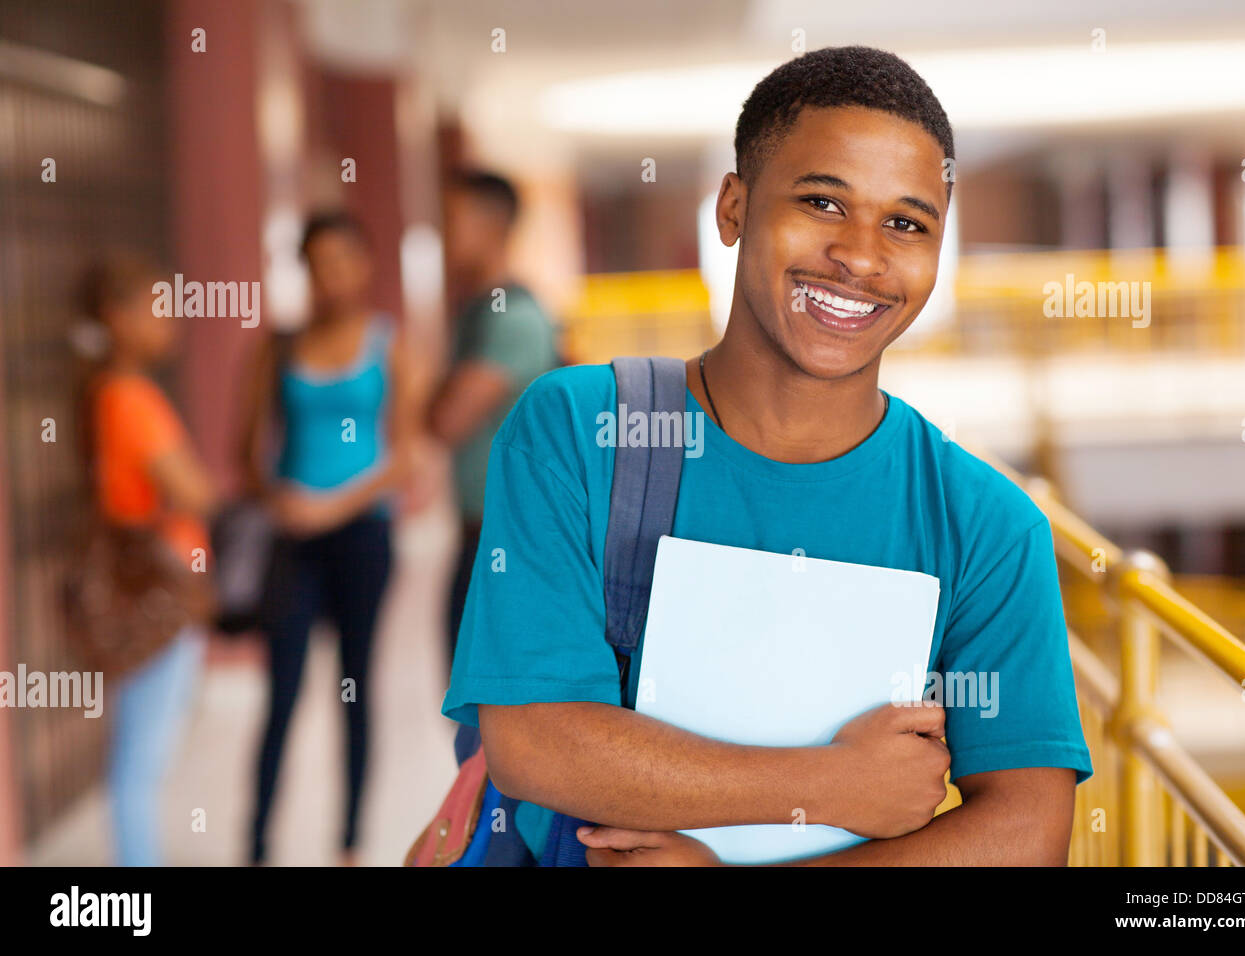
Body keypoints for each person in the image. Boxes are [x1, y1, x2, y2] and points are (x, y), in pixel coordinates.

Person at [441, 46, 1093, 866]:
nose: (861, 256)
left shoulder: (989, 525)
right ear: (733, 209)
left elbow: (1028, 833)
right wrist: (830, 783)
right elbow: (534, 739)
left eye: (906, 223)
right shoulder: (577, 430)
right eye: (823, 202)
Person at [238, 211, 426, 866]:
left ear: (366, 265)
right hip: (293, 544)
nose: (331, 277)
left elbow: (405, 457)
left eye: (343, 261)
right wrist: (280, 499)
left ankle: (348, 843)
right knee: (282, 693)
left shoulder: (387, 343)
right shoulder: (279, 347)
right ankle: (257, 843)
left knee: (355, 686)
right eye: (318, 265)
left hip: (362, 539)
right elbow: (247, 452)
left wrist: (334, 507)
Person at [77, 253, 217, 866]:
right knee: (140, 759)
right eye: (157, 309)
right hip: (158, 592)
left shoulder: (103, 393)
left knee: (140, 750)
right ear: (117, 317)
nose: (171, 323)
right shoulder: (130, 397)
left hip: (148, 586)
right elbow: (193, 491)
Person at [428, 170, 559, 682]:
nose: (443, 235)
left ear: (492, 225)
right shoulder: (479, 313)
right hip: (478, 531)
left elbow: (444, 420)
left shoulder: (515, 318)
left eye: (452, 221)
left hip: (507, 536)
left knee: (488, 705)